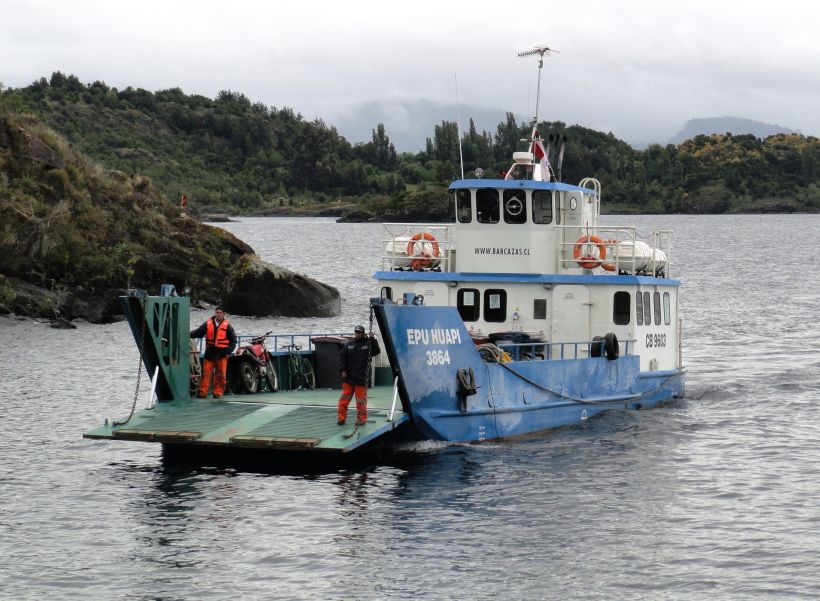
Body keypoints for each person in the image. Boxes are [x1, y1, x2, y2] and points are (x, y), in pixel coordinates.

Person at [337, 325, 381, 426]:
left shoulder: (368, 344)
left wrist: (373, 339)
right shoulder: (349, 344)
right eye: (356, 332)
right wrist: (342, 370)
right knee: (344, 399)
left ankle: (361, 419)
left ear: (363, 333)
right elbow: (342, 358)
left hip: (361, 378)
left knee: (361, 401)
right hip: (349, 377)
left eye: (359, 332)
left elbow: (376, 351)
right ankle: (341, 418)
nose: (358, 334)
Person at [190, 306, 237, 399]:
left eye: (220, 313)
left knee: (221, 374)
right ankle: (202, 393)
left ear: (223, 314)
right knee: (206, 373)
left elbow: (233, 341)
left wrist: (227, 351)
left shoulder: (228, 326)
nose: (218, 314)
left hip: (221, 354)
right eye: (217, 312)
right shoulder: (208, 324)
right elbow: (198, 332)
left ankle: (217, 393)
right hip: (210, 353)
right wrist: (188, 334)